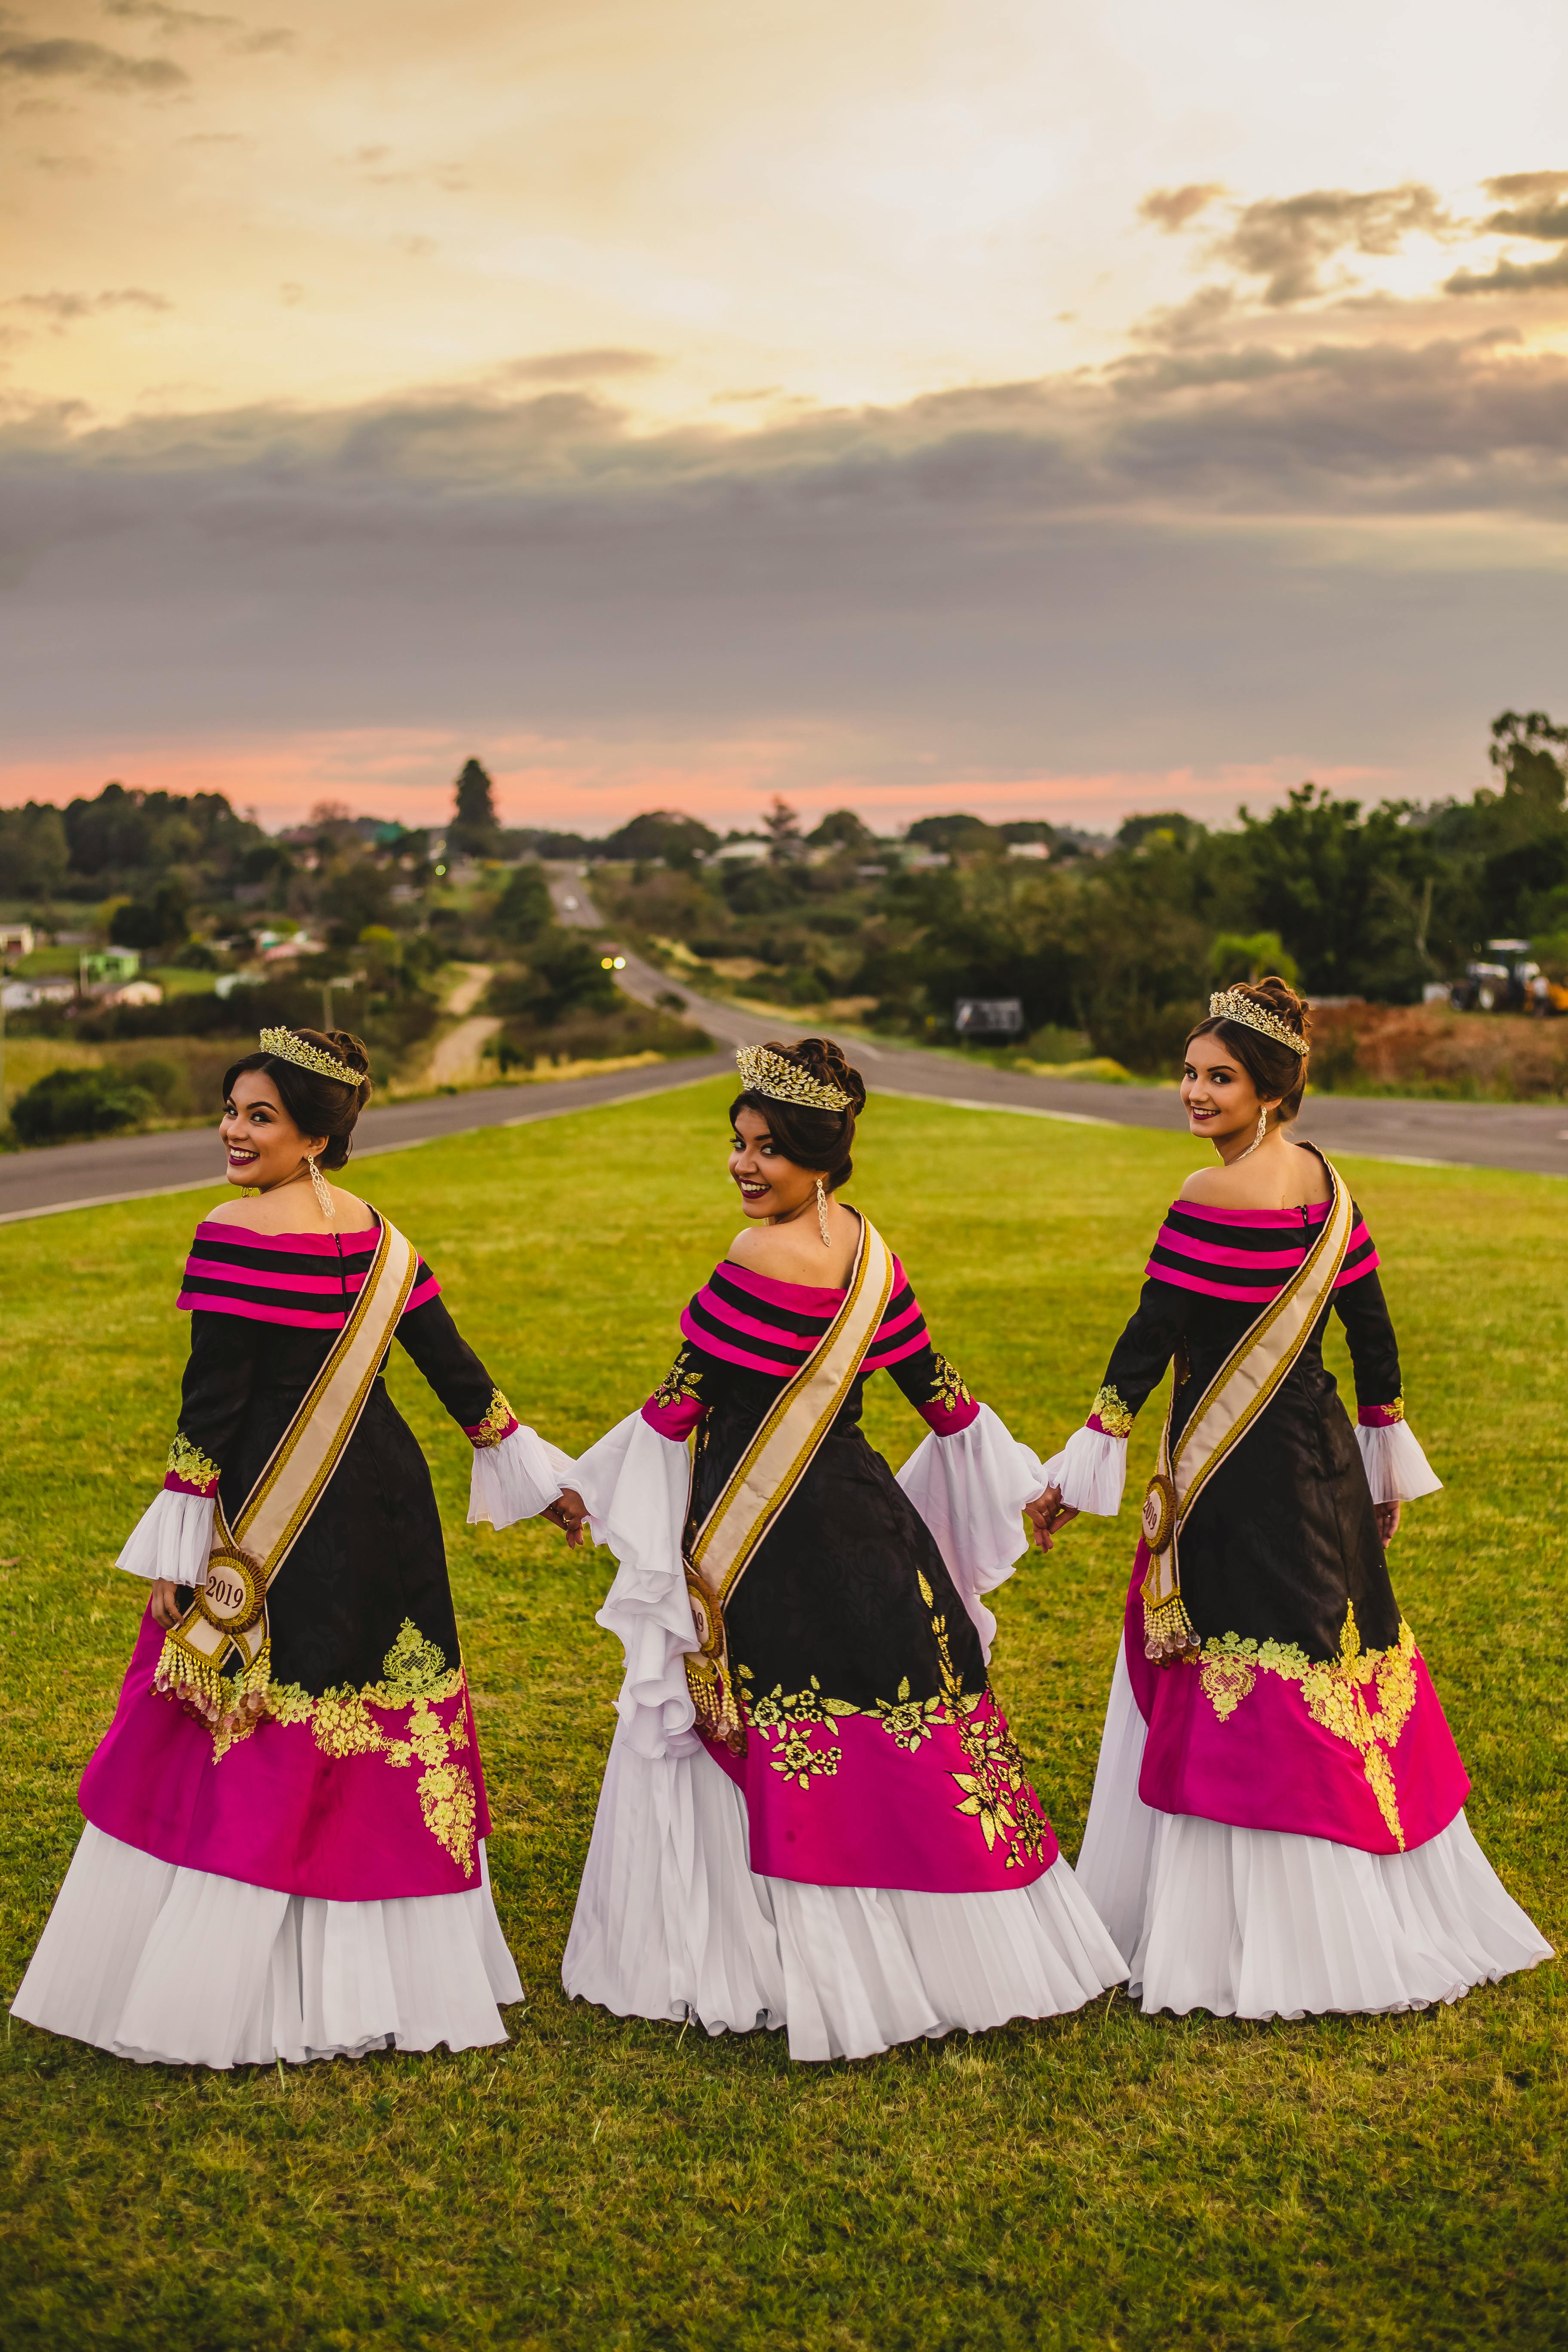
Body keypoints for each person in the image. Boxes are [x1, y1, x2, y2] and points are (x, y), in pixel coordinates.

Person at [549, 1038, 1125, 2062]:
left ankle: (755, 1957)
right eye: (736, 1144)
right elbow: (942, 1400)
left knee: (746, 1725)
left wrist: (578, 1493)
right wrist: (1034, 1483)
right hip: (868, 1534)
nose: (742, 1164)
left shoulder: (750, 1258)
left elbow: (678, 1409)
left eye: (765, 1148)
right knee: (899, 1731)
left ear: (817, 1153)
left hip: (765, 1539)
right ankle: (951, 1953)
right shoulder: (872, 1253)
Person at [13, 1026, 576, 2067]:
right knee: (373, 1706)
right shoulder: (381, 1234)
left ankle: (241, 1984)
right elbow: (457, 1375)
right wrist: (538, 1479)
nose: (233, 1130)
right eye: (231, 1109)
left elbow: (211, 1409)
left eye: (259, 1115)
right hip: (388, 1503)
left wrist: (183, 1542)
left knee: (249, 1710)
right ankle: (392, 1976)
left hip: (276, 1497)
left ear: (316, 1132)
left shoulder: (233, 1230)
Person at [1038, 978, 1550, 2019]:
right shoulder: (1330, 1187)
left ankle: (1229, 1919)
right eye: (1189, 1074)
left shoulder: (1202, 1194)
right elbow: (1373, 1332)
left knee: (1226, 1656)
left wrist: (1095, 1444)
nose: (1194, 1092)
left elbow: (1148, 1340)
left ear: (1269, 1089)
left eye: (1218, 1077)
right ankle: (1361, 1887)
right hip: (1315, 1463)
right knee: (1332, 1648)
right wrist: (1380, 1452)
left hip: (1227, 1475)